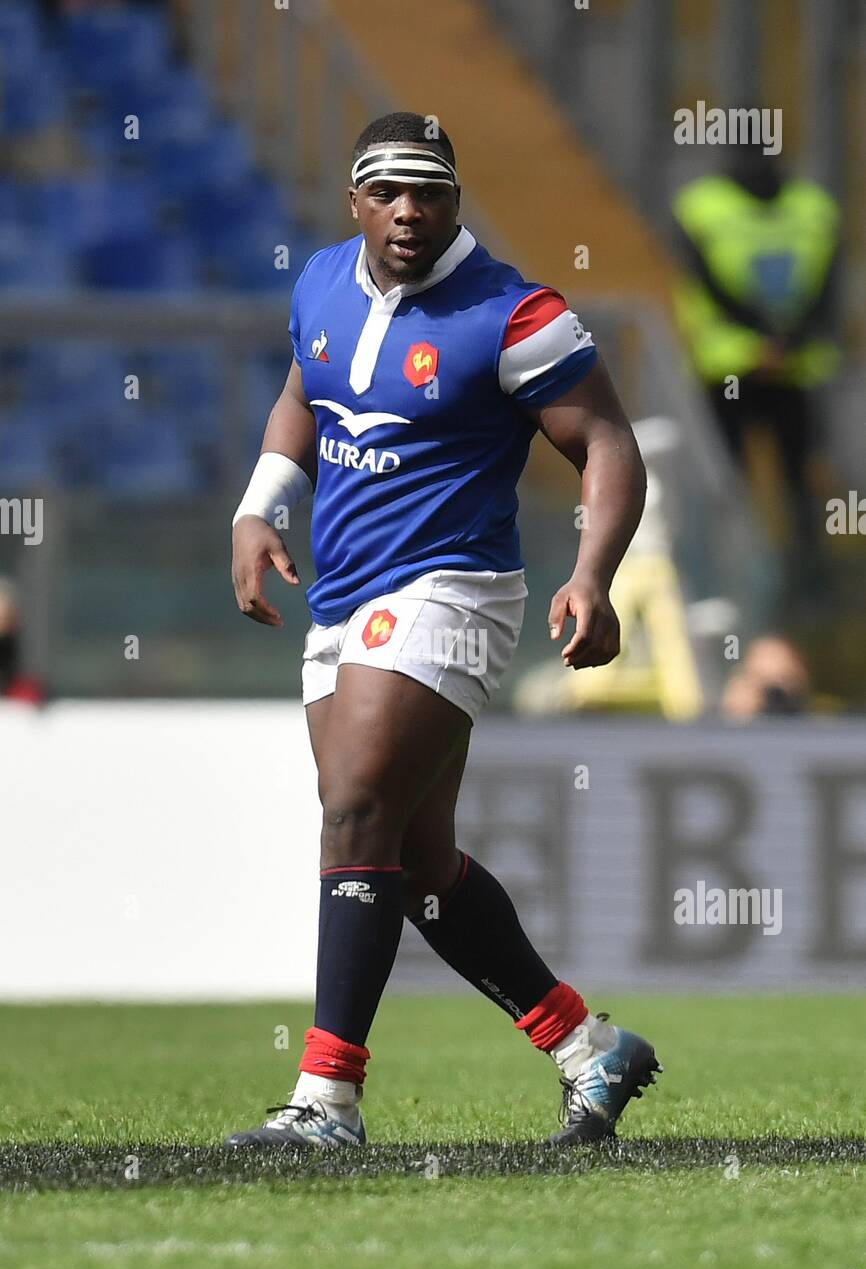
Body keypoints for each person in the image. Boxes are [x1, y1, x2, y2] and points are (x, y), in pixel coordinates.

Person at [226, 112, 659, 1149]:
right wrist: (257, 506)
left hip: (452, 589)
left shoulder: (515, 314)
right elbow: (302, 393)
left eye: (429, 190)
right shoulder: (321, 282)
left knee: (355, 806)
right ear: (354, 200)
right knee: (414, 862)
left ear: (456, 198)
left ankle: (326, 1099)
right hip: (343, 598)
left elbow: (605, 443)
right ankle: (584, 1046)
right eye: (387, 190)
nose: (409, 209)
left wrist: (592, 574)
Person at [672, 147, 840, 590]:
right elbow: (705, 280)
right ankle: (740, 575)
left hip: (783, 366)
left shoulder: (813, 206)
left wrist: (776, 340)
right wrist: (782, 338)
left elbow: (829, 281)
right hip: (737, 370)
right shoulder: (702, 207)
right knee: (735, 478)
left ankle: (803, 576)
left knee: (797, 477)